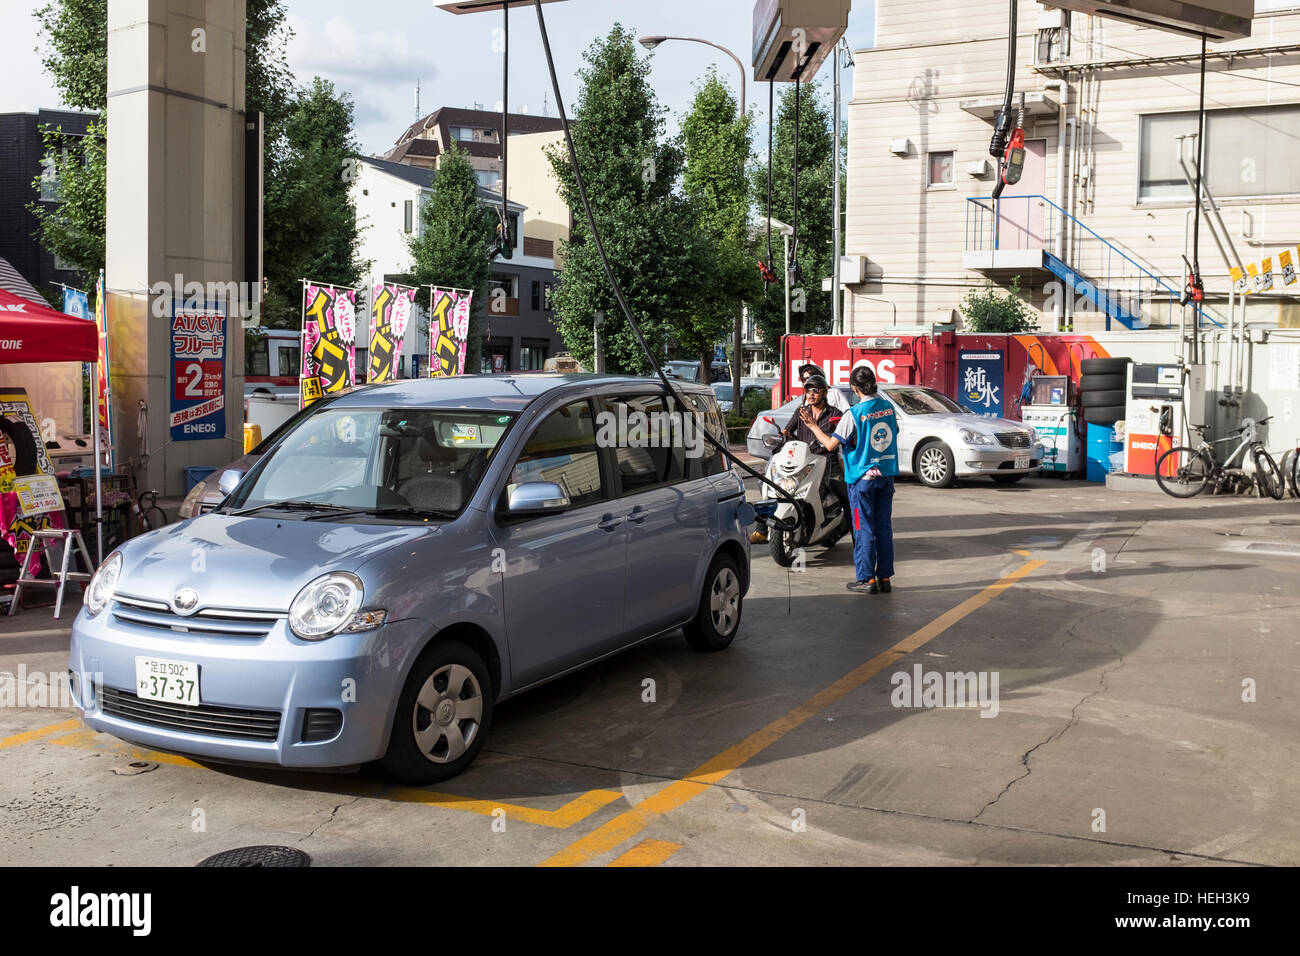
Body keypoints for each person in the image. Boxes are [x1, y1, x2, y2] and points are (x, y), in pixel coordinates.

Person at [800, 364, 899, 595]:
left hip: (862, 480)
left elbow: (830, 445)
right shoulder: (888, 408)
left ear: (854, 388)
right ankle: (884, 577)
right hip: (886, 476)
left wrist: (813, 426)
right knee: (883, 527)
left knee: (863, 528)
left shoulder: (853, 414)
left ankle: (867, 579)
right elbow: (894, 432)